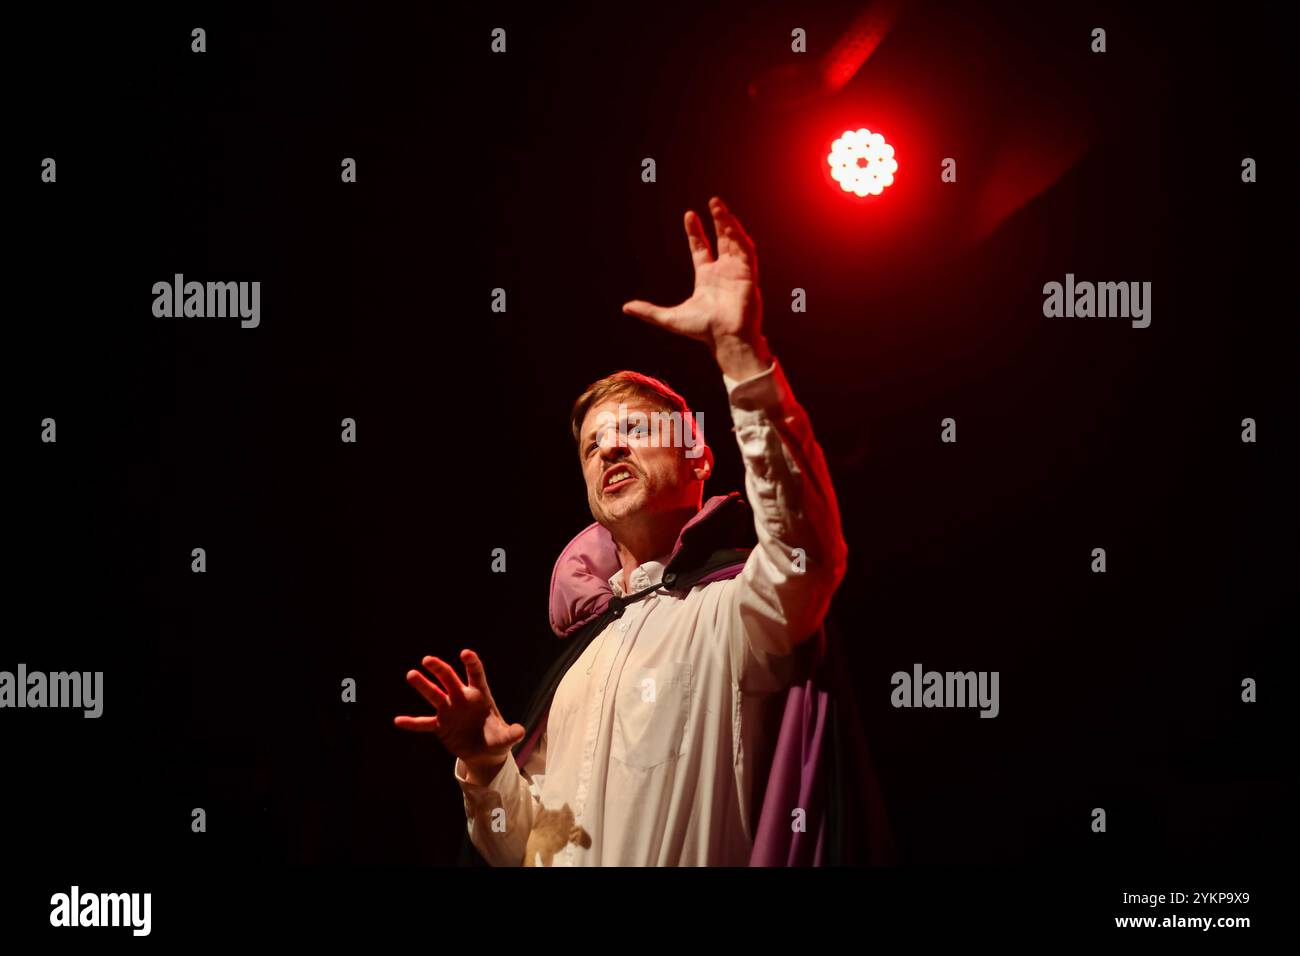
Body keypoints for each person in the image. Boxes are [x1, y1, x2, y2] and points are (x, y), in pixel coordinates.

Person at [394, 196, 849, 865]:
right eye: (592, 445)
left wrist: (742, 356)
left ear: (696, 450)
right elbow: (524, 849)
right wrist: (489, 767)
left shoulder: (740, 612)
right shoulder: (578, 665)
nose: (609, 449)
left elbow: (807, 544)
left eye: (635, 429)